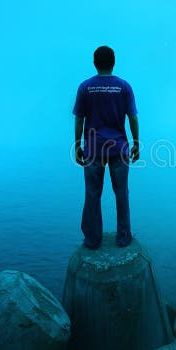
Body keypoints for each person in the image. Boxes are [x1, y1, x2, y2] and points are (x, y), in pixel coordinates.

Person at [72, 45, 140, 249]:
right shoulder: (124, 86)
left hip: (93, 149)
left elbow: (79, 120)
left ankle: (92, 239)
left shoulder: (85, 87)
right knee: (121, 193)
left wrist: (77, 145)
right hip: (119, 148)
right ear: (114, 62)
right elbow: (132, 118)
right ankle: (123, 237)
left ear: (94, 62)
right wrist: (136, 142)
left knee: (92, 193)